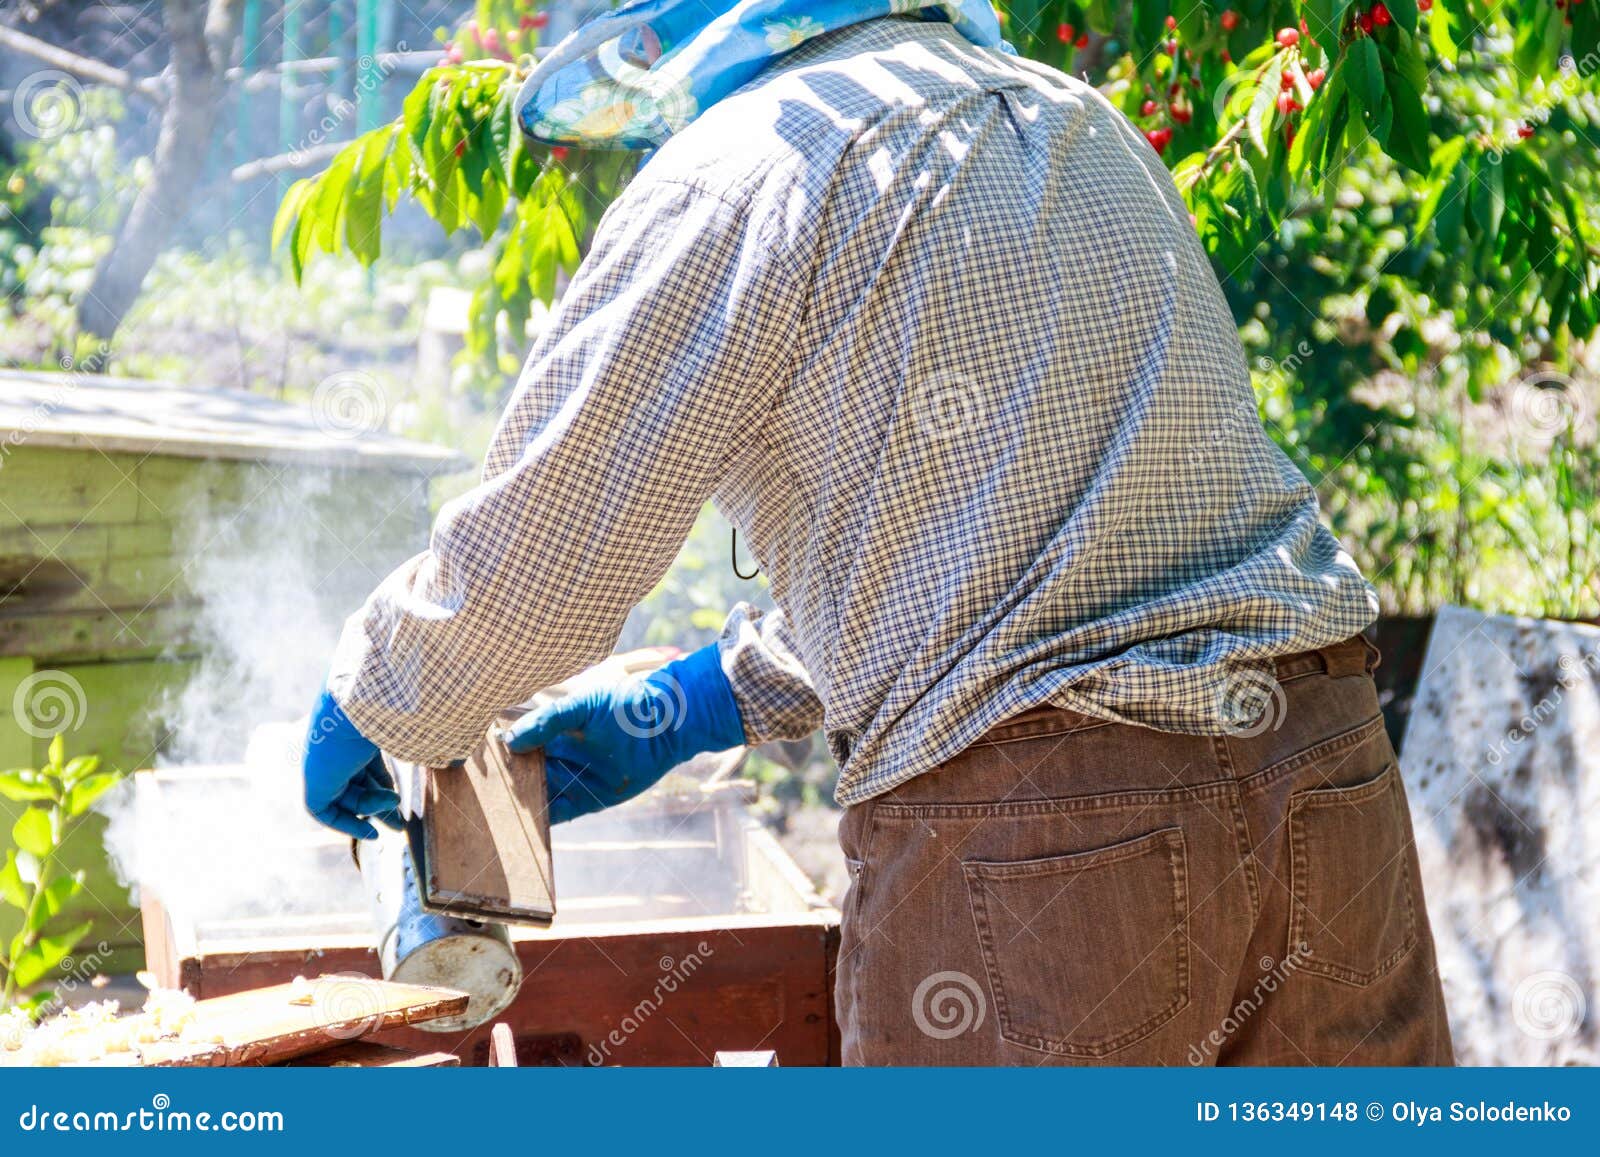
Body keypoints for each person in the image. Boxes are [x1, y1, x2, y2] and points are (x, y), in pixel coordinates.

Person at [301, 1, 1452, 1066]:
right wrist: (713, 695)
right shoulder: (1075, 118)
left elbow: (551, 547)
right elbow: (1017, 526)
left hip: (1046, 837)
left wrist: (382, 697)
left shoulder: (747, 163)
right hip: (1325, 774)